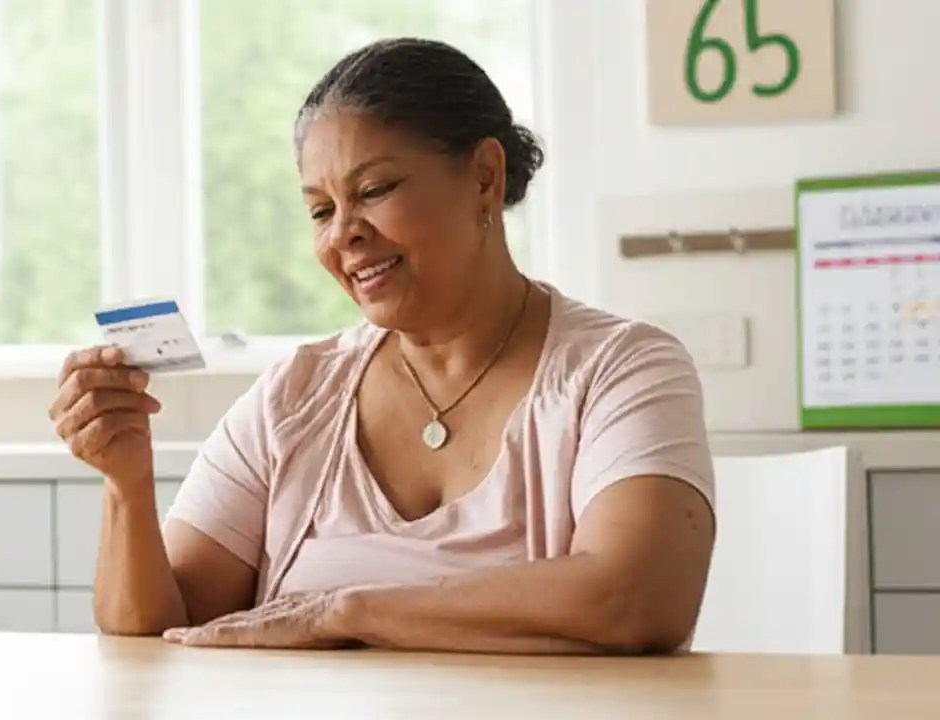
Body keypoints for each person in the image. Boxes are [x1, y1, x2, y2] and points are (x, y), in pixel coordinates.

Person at [49, 38, 715, 655]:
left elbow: (639, 601)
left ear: (484, 177)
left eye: (374, 191)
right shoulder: (293, 397)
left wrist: (341, 613)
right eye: (319, 210)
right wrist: (127, 487)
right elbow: (163, 631)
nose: (343, 234)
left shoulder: (622, 370)